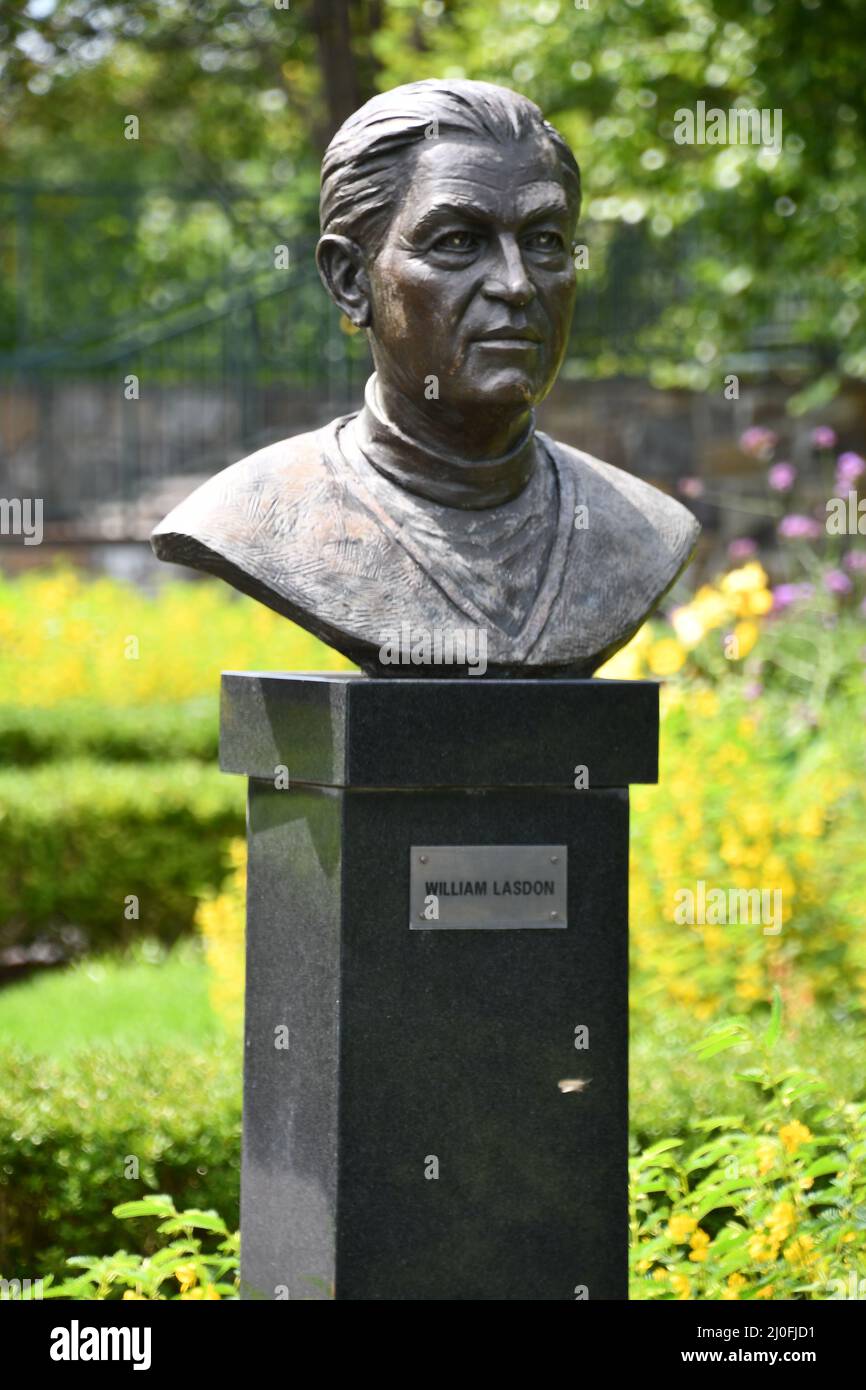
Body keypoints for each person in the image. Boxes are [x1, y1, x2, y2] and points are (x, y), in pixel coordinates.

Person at [152, 78, 699, 677]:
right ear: (351, 281)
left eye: (545, 241)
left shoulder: (644, 529)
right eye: (459, 242)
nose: (516, 285)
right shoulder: (252, 513)